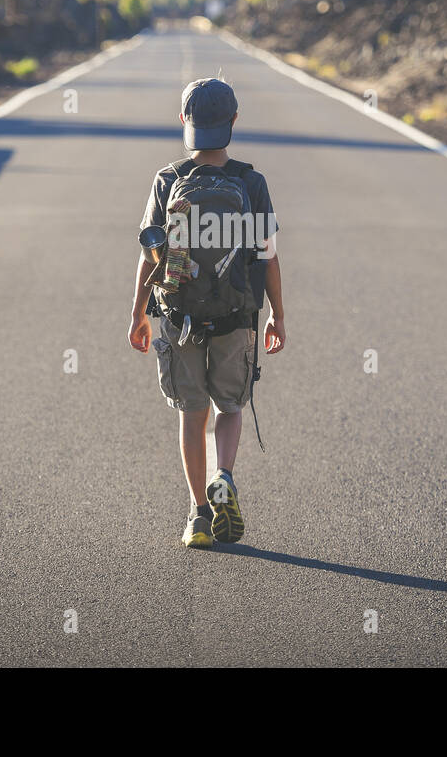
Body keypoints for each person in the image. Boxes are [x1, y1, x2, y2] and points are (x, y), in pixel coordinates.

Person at [128, 78, 286, 548]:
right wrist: (277, 314)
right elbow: (268, 256)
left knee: (191, 413)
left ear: (184, 122)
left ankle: (198, 515)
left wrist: (137, 311)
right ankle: (225, 475)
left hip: (179, 316)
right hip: (236, 316)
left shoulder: (167, 181)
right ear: (234, 121)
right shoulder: (250, 183)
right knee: (230, 406)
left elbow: (149, 254)